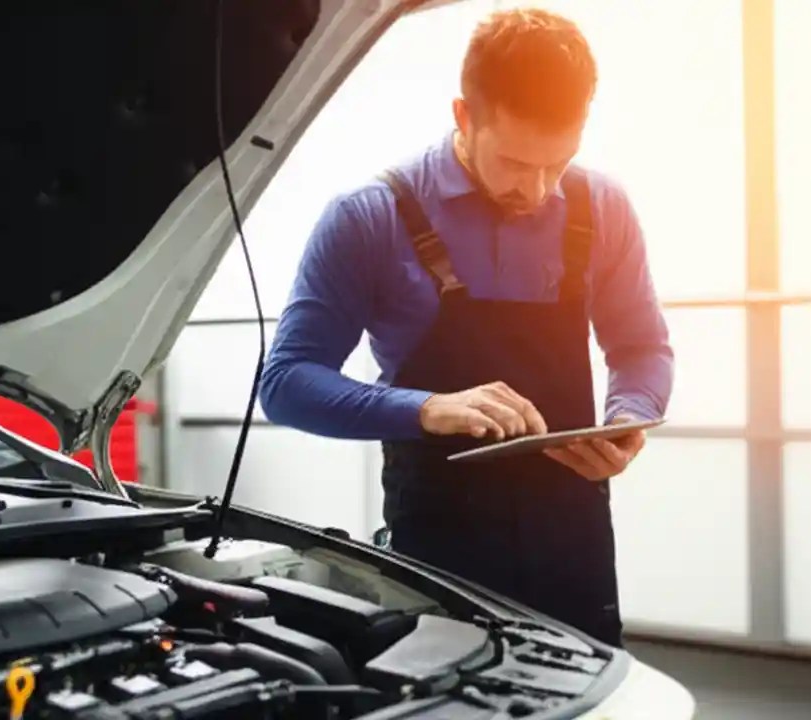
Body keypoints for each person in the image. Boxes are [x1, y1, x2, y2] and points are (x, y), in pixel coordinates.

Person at [258, 7, 673, 647]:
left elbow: (641, 347)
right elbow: (286, 383)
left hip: (574, 546)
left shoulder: (604, 208)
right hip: (439, 550)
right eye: (514, 161)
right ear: (463, 116)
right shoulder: (369, 219)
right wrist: (427, 409)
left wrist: (630, 414)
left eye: (557, 162)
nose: (538, 190)